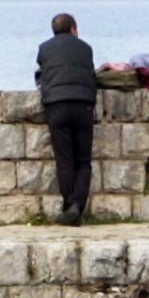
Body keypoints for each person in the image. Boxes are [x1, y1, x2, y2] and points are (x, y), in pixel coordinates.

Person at [35, 13, 97, 226]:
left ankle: (69, 204)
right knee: (83, 161)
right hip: (83, 104)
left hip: (57, 106)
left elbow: (42, 74)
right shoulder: (85, 48)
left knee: (65, 160)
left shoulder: (44, 48)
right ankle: (77, 207)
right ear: (73, 29)